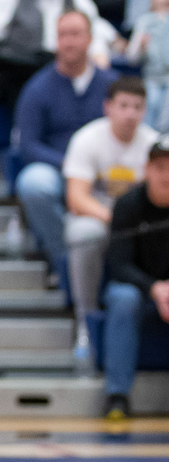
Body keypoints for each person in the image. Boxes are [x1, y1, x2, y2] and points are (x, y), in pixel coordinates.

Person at [14, 10, 118, 285]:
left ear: (90, 39)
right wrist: (70, 166)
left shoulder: (110, 85)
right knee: (33, 183)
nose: (69, 42)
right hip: (59, 169)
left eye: (75, 34)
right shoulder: (37, 88)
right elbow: (28, 144)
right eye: (62, 35)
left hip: (107, 171)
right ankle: (67, 262)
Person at [63, 75, 158, 357]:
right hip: (100, 219)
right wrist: (114, 218)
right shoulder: (87, 139)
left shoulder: (154, 145)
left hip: (141, 226)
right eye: (124, 105)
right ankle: (85, 319)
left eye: (138, 107)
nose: (131, 114)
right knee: (84, 233)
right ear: (108, 107)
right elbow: (77, 198)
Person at [102, 134, 169, 419]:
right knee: (122, 297)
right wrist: (154, 288)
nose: (167, 175)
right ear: (147, 169)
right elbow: (118, 263)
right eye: (160, 166)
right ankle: (117, 396)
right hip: (138, 287)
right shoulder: (128, 204)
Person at [126, 0, 169, 132]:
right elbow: (132, 57)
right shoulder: (144, 21)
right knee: (149, 107)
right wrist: (141, 46)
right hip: (151, 78)